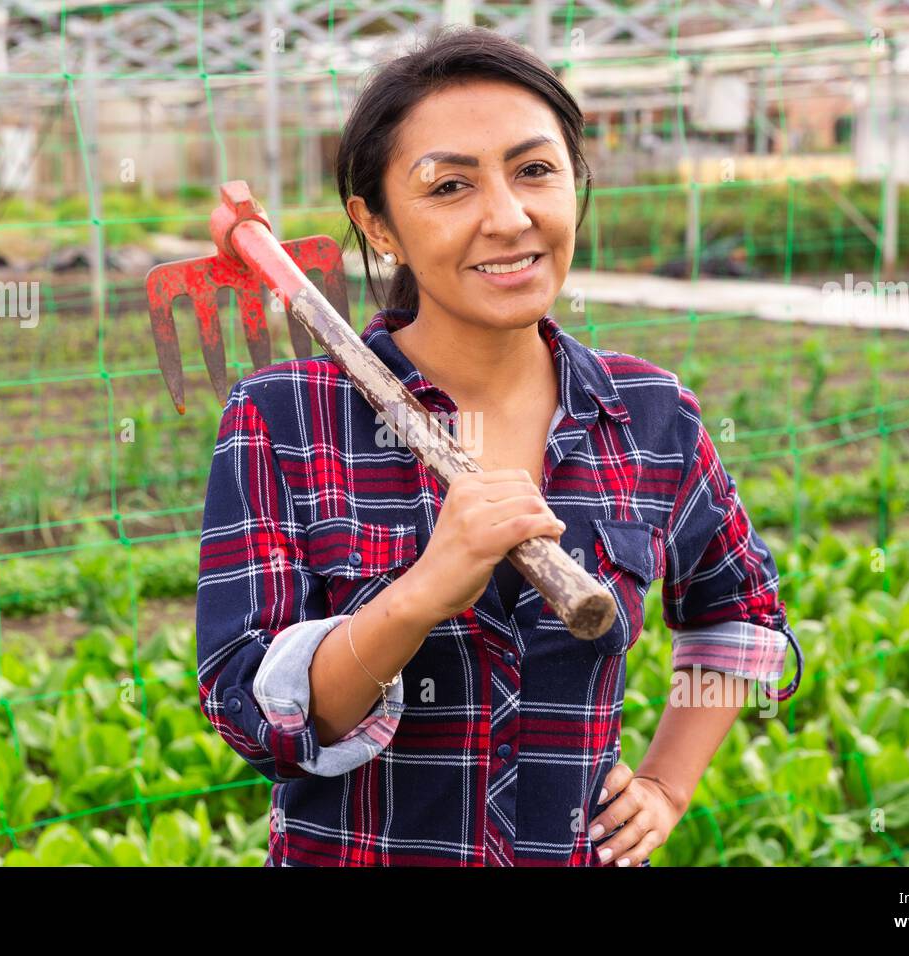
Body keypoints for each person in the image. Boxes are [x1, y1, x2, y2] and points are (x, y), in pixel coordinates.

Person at [195, 25, 804, 867]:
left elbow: (740, 609)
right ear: (377, 226)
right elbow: (250, 713)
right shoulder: (284, 420)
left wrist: (667, 784)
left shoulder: (649, 415)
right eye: (449, 186)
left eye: (535, 170)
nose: (509, 218)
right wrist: (418, 596)